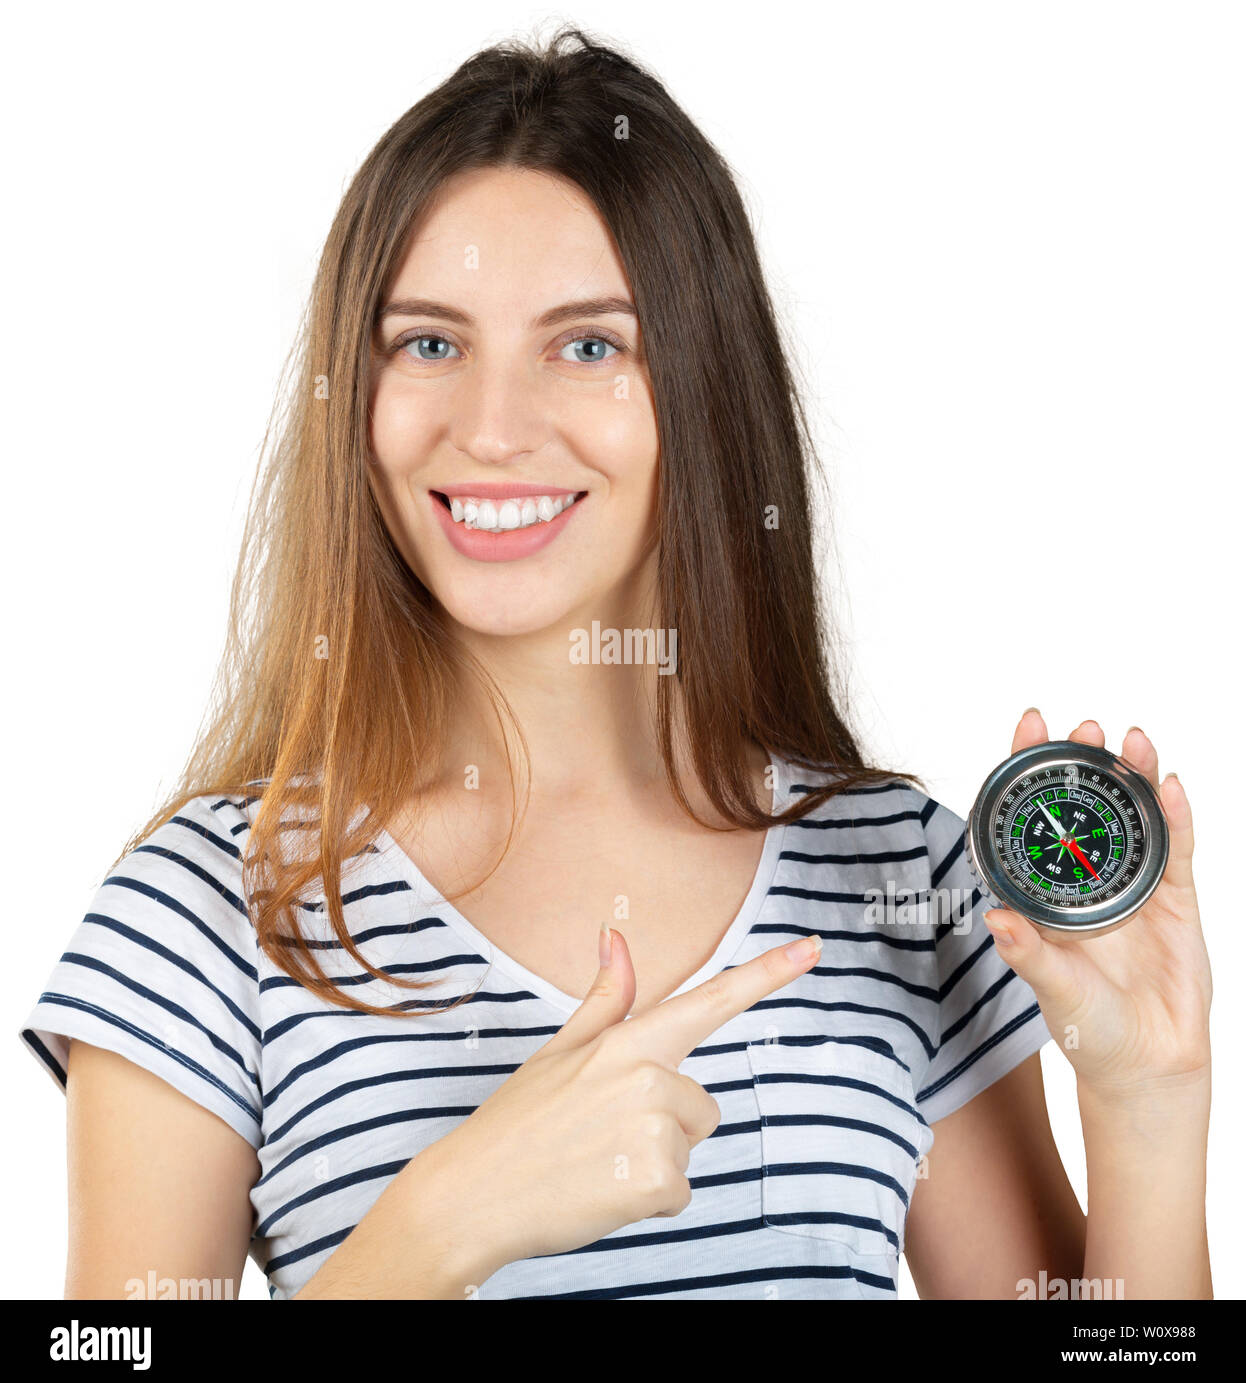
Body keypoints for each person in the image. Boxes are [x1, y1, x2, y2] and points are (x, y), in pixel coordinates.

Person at [20, 26, 1212, 1301]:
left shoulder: (899, 874)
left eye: (588, 345)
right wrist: (440, 1223)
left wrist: (1151, 1105)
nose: (490, 427)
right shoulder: (204, 907)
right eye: (428, 342)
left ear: (700, 391)